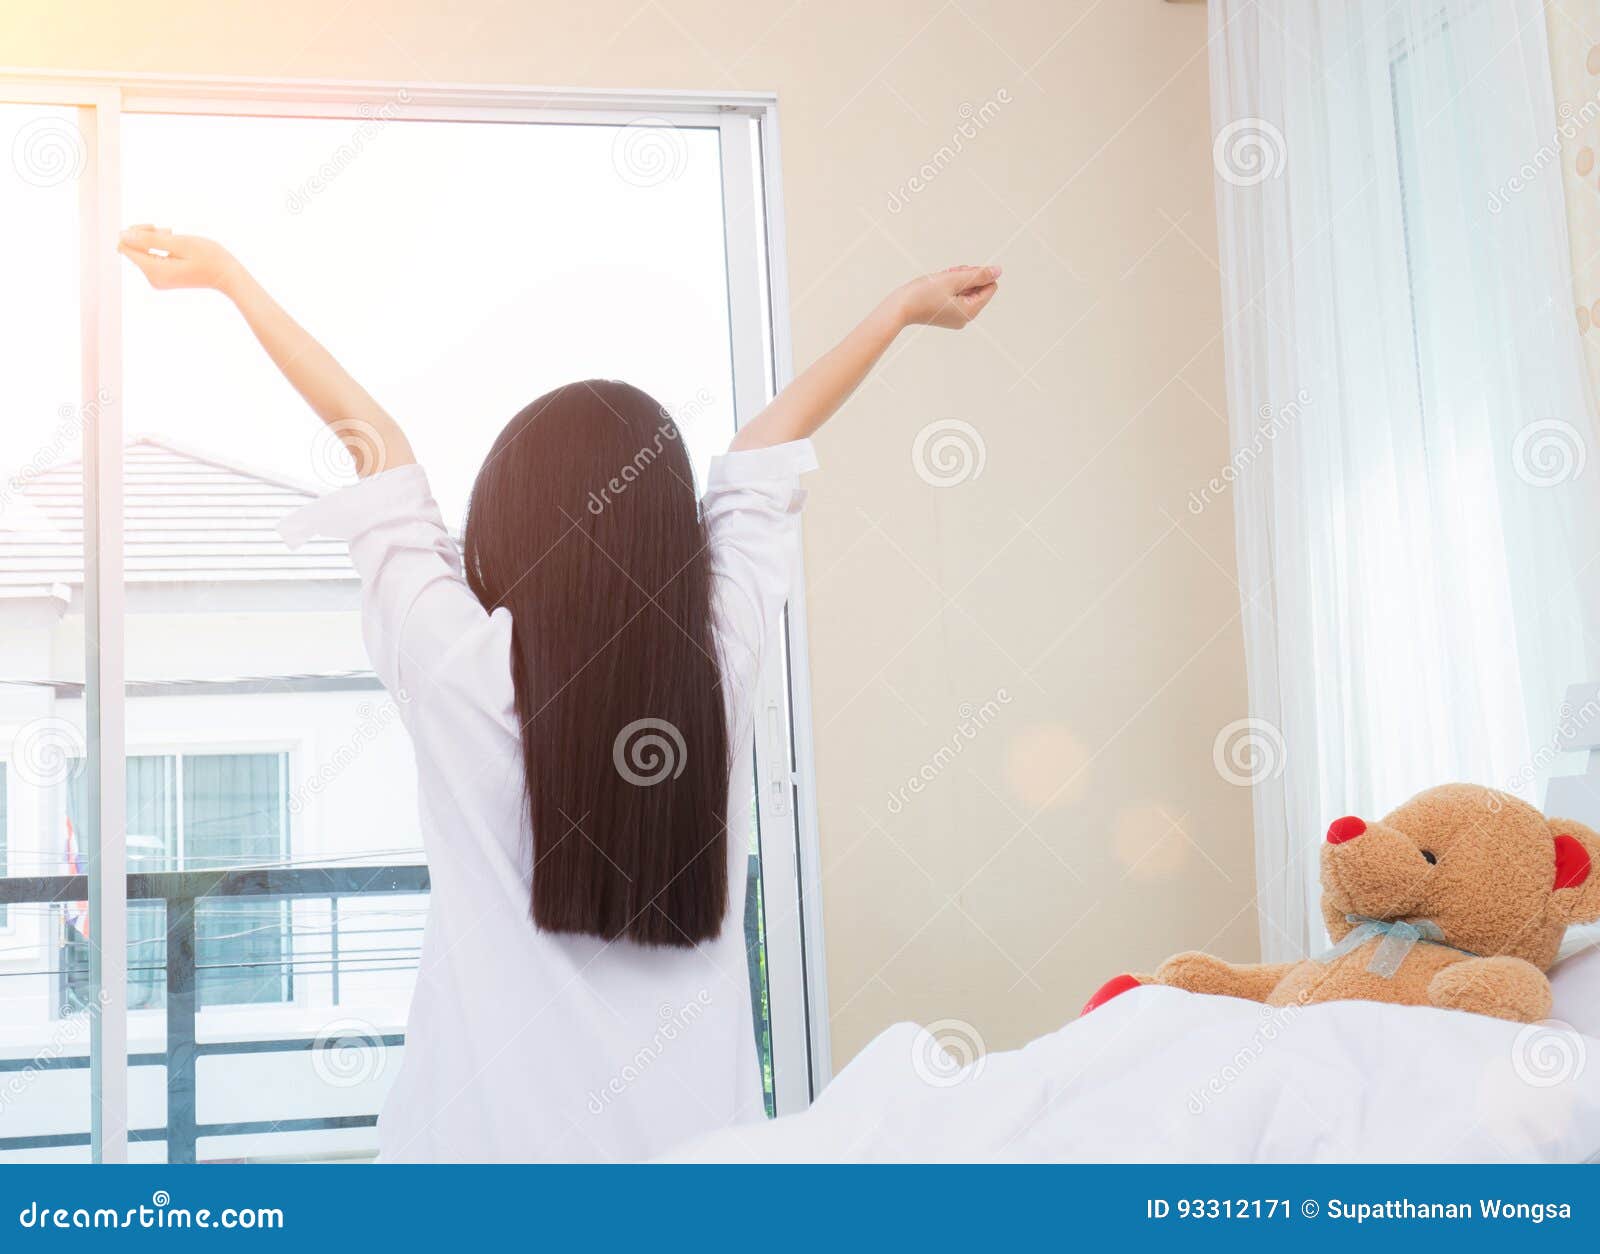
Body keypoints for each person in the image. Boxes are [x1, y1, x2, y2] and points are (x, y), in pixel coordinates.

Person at [119, 225, 1000, 1162]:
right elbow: (760, 456)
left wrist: (234, 282)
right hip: (701, 1165)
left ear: (508, 517)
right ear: (672, 529)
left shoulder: (459, 665)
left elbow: (377, 452)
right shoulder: (717, 656)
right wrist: (900, 311)